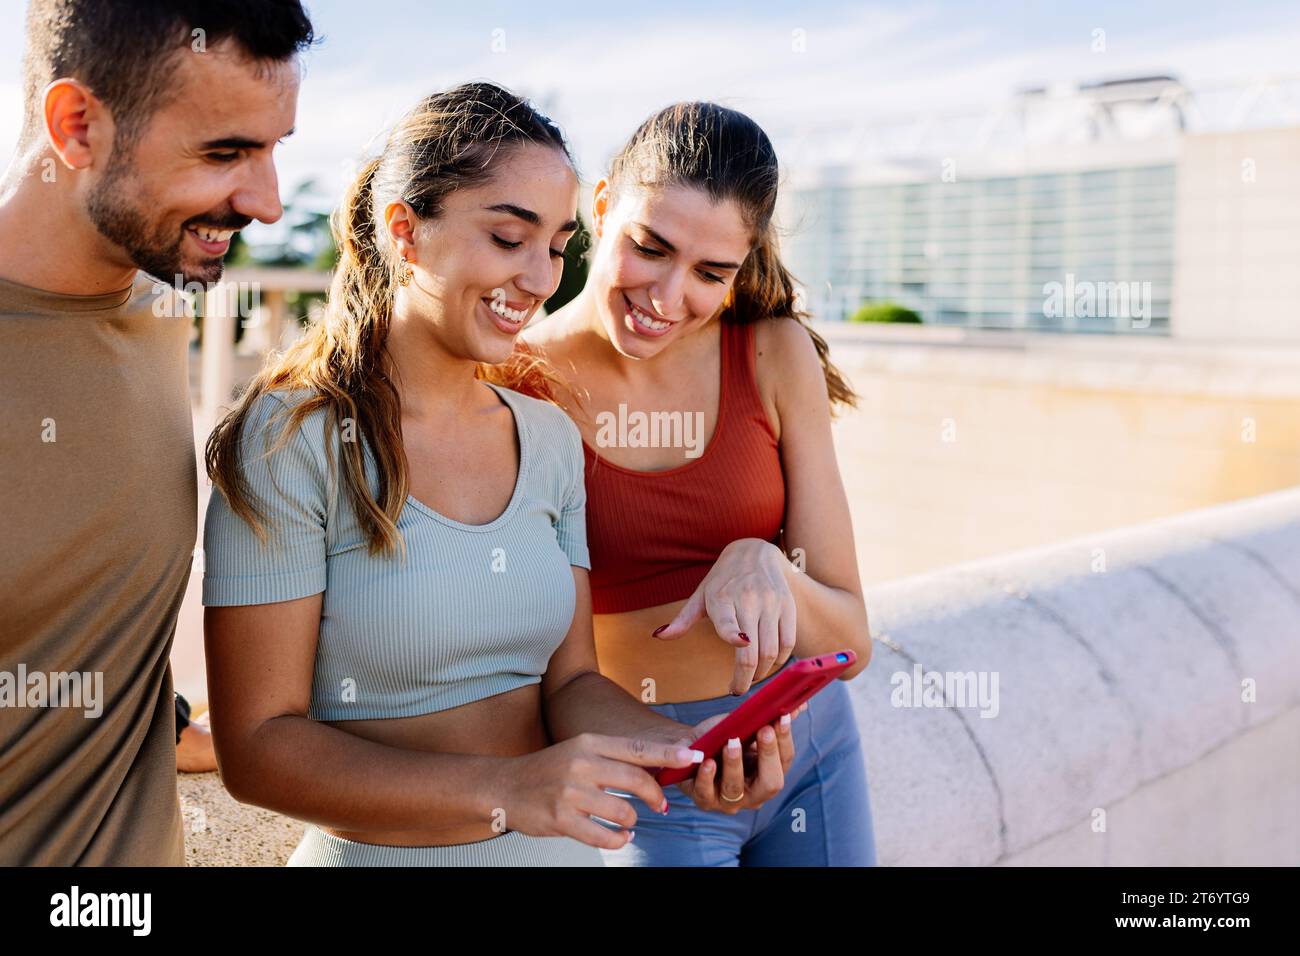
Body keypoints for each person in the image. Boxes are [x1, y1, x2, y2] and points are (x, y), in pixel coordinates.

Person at [200, 83, 803, 867]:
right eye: (509, 238)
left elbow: (572, 683)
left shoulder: (549, 437)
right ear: (406, 232)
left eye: (556, 246)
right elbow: (257, 749)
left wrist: (684, 747)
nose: (541, 279)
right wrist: (507, 790)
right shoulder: (290, 440)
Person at [506, 102, 879, 866]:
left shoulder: (775, 353)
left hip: (809, 750)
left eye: (712, 273)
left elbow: (848, 641)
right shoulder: (513, 383)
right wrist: (684, 753)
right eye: (651, 248)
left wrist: (765, 560)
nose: (668, 299)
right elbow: (545, 668)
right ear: (602, 205)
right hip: (649, 777)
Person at [0, 0, 313, 866]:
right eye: (224, 153)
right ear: (77, 125)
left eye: (274, 147)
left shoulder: (156, 298)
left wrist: (171, 724)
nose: (268, 203)